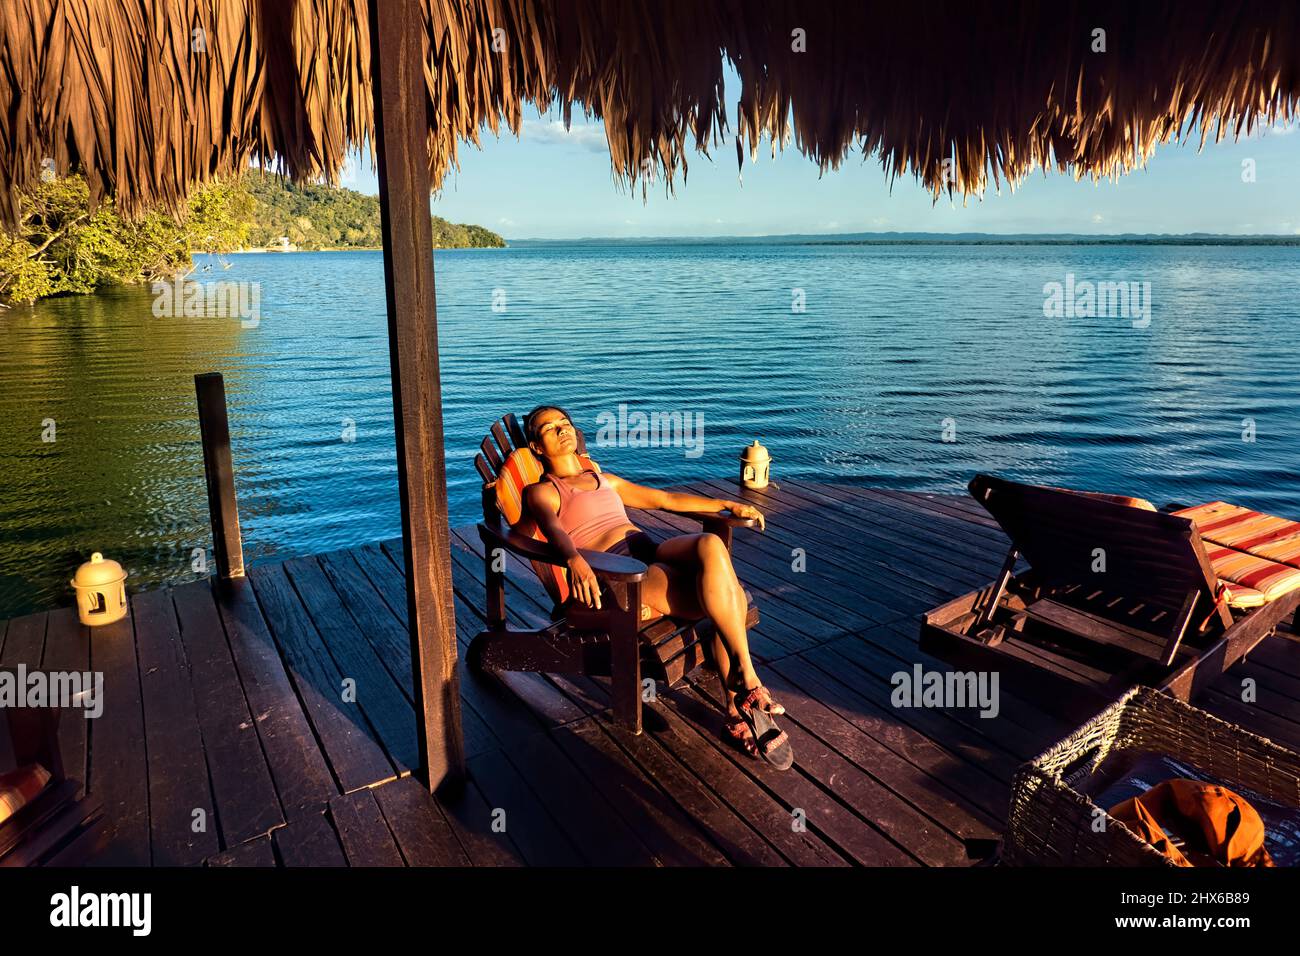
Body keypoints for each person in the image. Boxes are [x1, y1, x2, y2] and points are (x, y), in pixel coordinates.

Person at [521, 404, 792, 769]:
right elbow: (553, 532)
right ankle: (740, 696)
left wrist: (727, 504)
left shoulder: (605, 480)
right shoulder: (544, 492)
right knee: (727, 599)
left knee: (711, 546)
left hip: (650, 552)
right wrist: (574, 560)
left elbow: (665, 499)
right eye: (548, 428)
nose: (560, 429)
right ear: (537, 447)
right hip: (621, 575)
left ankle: (744, 680)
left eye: (564, 423)